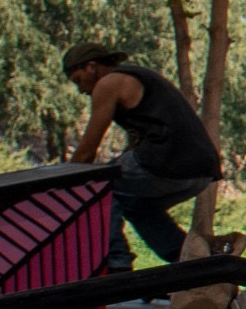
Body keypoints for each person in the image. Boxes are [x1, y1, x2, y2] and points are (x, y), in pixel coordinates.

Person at [64, 42, 220, 270]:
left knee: (99, 187)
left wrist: (64, 184)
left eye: (78, 80)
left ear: (91, 67)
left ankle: (116, 264)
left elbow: (86, 152)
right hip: (202, 170)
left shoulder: (109, 83)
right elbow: (134, 146)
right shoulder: (138, 78)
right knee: (138, 207)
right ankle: (190, 261)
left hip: (169, 160)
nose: (81, 90)